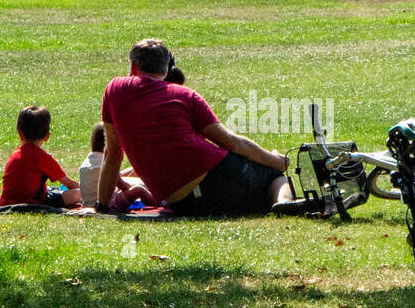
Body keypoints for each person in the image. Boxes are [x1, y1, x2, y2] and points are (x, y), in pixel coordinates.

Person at [96, 39, 297, 217]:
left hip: (183, 203)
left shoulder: (114, 90)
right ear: (166, 70)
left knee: (251, 195)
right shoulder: (185, 95)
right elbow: (231, 142)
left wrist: (102, 206)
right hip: (215, 175)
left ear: (132, 66)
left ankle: (277, 201)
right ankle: (285, 203)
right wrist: (275, 161)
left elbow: (112, 153)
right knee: (275, 177)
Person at [0, 106, 81, 208]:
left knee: (51, 189)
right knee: (78, 193)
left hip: (7, 202)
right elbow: (69, 184)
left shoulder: (15, 154)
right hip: (35, 202)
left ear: (20, 134)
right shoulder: (43, 158)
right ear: (47, 136)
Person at [78, 123, 153, 209]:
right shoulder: (106, 165)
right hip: (109, 205)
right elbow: (122, 185)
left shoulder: (86, 163)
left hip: (86, 204)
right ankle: (159, 202)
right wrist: (131, 189)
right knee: (139, 190)